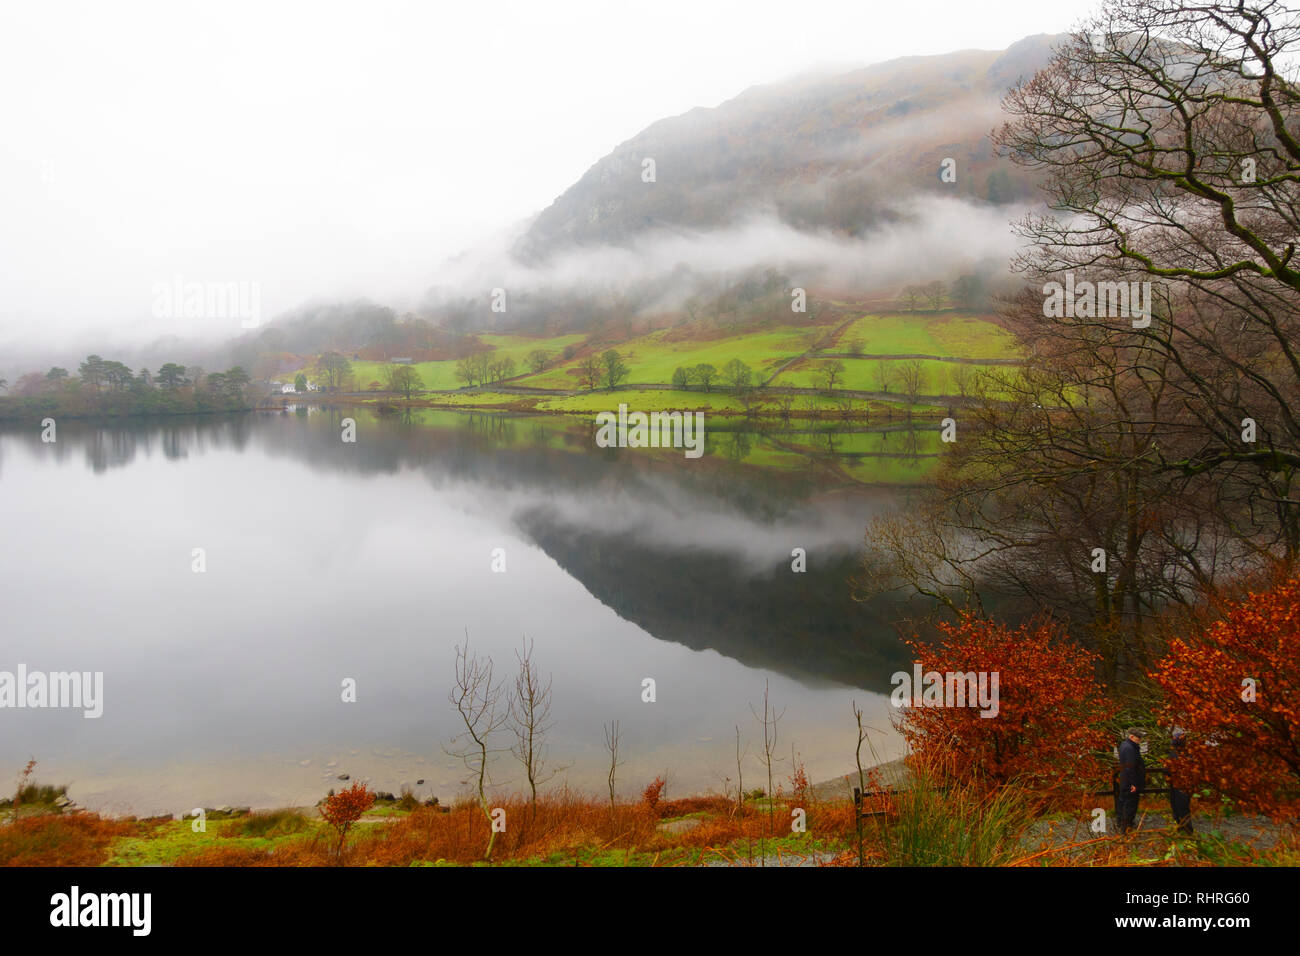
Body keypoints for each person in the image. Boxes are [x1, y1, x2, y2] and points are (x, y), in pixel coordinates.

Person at [1117, 727, 1146, 834]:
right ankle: (1126, 827)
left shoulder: (1125, 745)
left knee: (1123, 802)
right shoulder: (1130, 748)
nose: (1139, 741)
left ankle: (1122, 824)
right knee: (1130, 804)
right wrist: (1133, 783)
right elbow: (1130, 767)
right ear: (1131, 736)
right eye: (1138, 738)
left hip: (1125, 780)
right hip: (1130, 782)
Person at [1167, 727, 1193, 834]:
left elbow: (1167, 769)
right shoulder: (1187, 753)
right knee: (1181, 808)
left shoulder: (1174, 754)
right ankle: (1183, 828)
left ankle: (1186, 830)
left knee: (1180, 808)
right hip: (1183, 785)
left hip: (1178, 785)